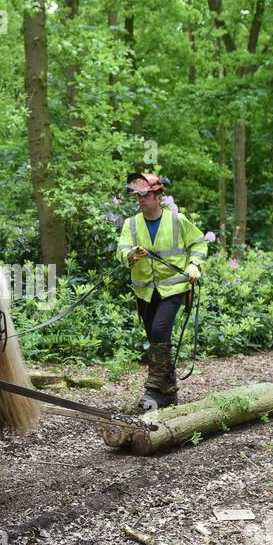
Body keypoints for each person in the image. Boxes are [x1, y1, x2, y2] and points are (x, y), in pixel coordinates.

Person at [117, 172, 208, 411]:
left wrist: (194, 265)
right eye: (138, 197)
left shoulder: (178, 220)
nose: (140, 201)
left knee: (159, 331)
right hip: (145, 292)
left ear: (158, 197)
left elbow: (199, 243)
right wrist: (130, 254)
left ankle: (153, 389)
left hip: (174, 287)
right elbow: (122, 249)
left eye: (145, 196)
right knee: (156, 338)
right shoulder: (131, 224)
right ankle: (168, 392)